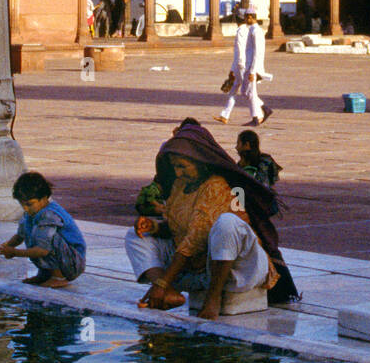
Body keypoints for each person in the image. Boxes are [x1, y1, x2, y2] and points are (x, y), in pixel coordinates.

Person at [125, 120, 298, 318]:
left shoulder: (216, 185)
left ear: (199, 161)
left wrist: (165, 281)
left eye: (183, 166)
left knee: (226, 224)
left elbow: (194, 239)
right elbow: (181, 229)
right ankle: (168, 292)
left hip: (239, 270)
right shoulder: (179, 185)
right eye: (175, 167)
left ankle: (213, 298)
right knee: (136, 235)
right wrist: (155, 228)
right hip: (199, 269)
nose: (178, 172)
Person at [0, 171, 87, 287]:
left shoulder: (49, 214)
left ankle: (59, 276)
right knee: (33, 233)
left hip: (72, 263)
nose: (25, 208)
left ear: (44, 198)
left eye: (29, 204)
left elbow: (43, 250)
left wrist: (14, 252)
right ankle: (45, 274)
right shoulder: (30, 213)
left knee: (44, 238)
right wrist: (8, 245)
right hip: (62, 258)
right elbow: (20, 235)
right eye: (22, 204)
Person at [216, 9, 250, 124]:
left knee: (247, 91)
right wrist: (232, 69)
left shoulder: (241, 31)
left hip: (241, 64)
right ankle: (225, 115)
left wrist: (238, 66)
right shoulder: (248, 30)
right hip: (240, 64)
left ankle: (261, 110)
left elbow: (240, 50)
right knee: (234, 89)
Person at [244, 6, 272, 126]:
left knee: (250, 92)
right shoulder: (251, 30)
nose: (245, 20)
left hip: (253, 67)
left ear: (251, 17)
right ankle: (264, 109)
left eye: (246, 17)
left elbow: (257, 52)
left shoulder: (256, 31)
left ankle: (256, 117)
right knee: (247, 92)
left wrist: (253, 70)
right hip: (249, 65)